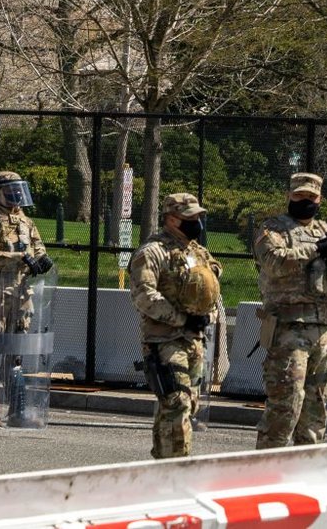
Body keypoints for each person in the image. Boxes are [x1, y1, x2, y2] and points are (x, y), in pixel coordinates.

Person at [252, 172, 327, 448]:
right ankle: (268, 468)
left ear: (319, 199)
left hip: (325, 331)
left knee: (316, 406)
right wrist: (317, 250)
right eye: (299, 196)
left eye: (311, 197)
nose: (305, 201)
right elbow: (274, 262)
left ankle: (306, 470)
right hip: (288, 330)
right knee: (286, 404)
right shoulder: (273, 230)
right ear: (289, 196)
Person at [129, 192, 223, 459]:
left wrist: (207, 316)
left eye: (198, 217)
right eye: (190, 217)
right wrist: (181, 319)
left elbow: (211, 286)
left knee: (186, 405)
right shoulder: (152, 252)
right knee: (177, 401)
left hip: (194, 339)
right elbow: (143, 295)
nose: (197, 223)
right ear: (171, 219)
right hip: (164, 341)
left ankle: (164, 461)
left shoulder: (197, 251)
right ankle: (176, 467)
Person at [0, 169, 50, 427]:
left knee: (16, 355)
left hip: (22, 294)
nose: (16, 196)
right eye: (10, 191)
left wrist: (41, 261)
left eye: (19, 191)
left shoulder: (26, 221)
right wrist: (18, 258)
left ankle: (18, 411)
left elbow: (38, 248)